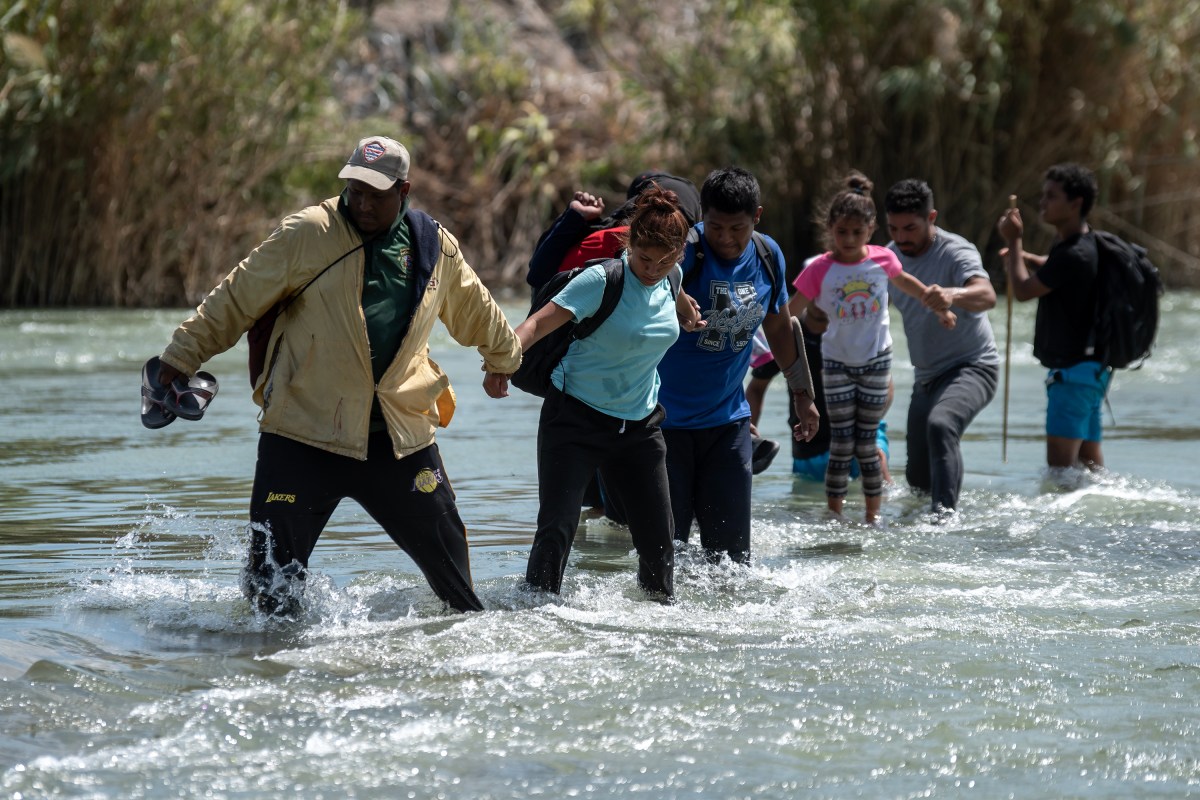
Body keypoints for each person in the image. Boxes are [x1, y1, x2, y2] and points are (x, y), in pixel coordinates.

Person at [150, 135, 522, 616]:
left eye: (376, 194)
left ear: (403, 191)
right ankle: (266, 671)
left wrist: (503, 361)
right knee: (271, 593)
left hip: (397, 439)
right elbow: (235, 298)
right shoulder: (308, 232)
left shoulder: (432, 245)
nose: (362, 203)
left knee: (462, 597)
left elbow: (478, 311)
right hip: (303, 433)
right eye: (354, 190)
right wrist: (179, 357)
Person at [486, 186, 700, 599]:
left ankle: (660, 620)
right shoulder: (600, 281)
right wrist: (500, 363)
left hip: (639, 426)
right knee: (557, 532)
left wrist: (690, 316)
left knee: (659, 541)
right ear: (629, 243)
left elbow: (676, 299)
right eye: (644, 258)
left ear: (678, 256)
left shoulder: (671, 277)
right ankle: (538, 618)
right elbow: (534, 326)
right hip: (574, 422)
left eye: (664, 260)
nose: (652, 269)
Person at [657, 166, 820, 563]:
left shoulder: (767, 254)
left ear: (757, 218)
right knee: (666, 556)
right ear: (701, 219)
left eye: (738, 228)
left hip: (728, 424)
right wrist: (672, 291)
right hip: (664, 426)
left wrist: (802, 394)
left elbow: (780, 330)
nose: (726, 239)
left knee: (731, 562)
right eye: (715, 227)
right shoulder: (678, 256)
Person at [791, 171, 955, 523]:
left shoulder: (882, 260)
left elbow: (911, 286)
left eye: (856, 232)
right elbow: (789, 312)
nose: (848, 239)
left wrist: (940, 307)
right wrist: (756, 332)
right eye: (841, 232)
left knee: (866, 444)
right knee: (840, 444)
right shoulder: (819, 269)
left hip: (877, 362)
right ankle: (833, 514)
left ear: (870, 230)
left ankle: (871, 516)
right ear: (830, 229)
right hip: (835, 362)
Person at [884, 179, 1000, 513]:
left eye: (910, 228)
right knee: (918, 481)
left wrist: (953, 294)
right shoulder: (891, 258)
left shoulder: (955, 251)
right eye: (893, 228)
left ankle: (944, 523)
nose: (902, 237)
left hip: (974, 367)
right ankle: (920, 531)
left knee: (941, 424)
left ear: (931, 217)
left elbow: (988, 296)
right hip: (927, 378)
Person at [997, 162, 1110, 473]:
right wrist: (1028, 258)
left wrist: (1015, 242)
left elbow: (1023, 290)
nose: (1043, 203)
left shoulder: (1073, 253)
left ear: (1075, 204)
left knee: (1060, 473)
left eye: (1051, 196)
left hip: (1072, 374)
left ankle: (1065, 523)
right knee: (1089, 466)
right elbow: (1055, 268)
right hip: (1092, 370)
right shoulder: (1085, 243)